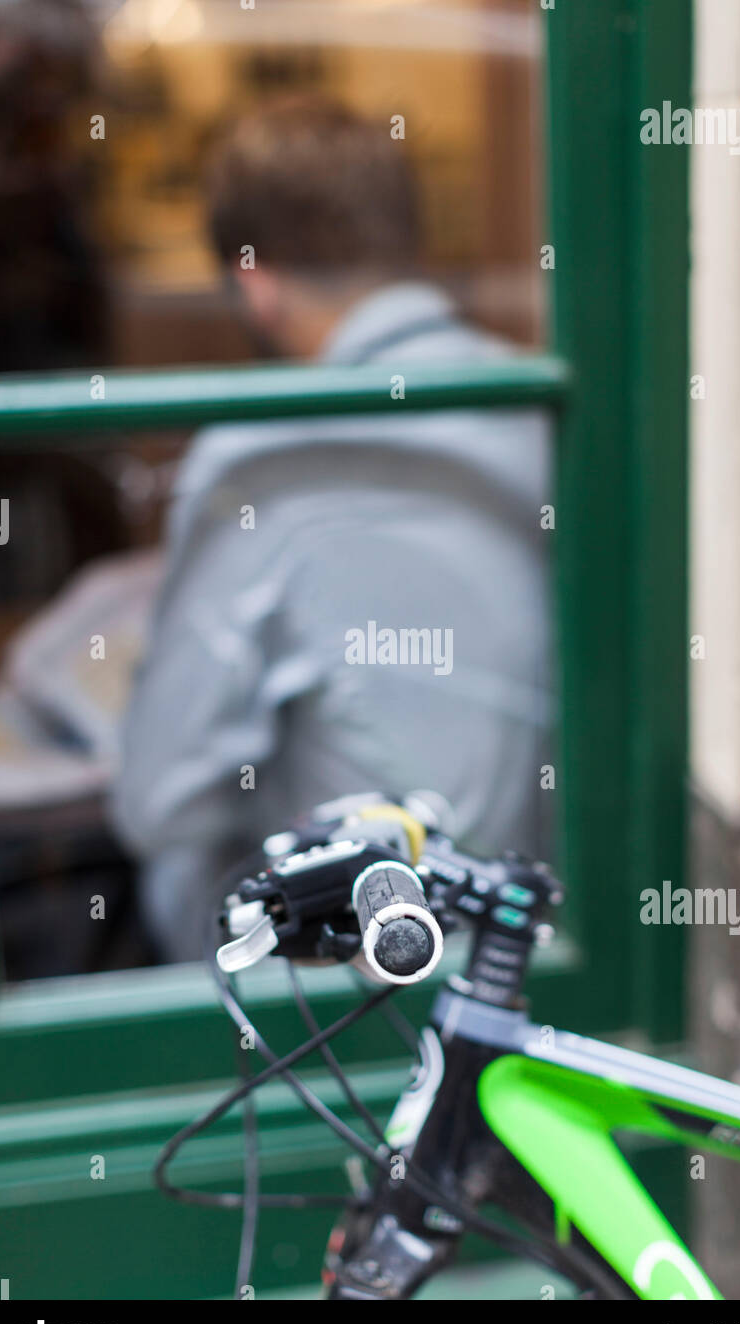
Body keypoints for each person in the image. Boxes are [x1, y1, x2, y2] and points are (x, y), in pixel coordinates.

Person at [112, 94, 553, 961]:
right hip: (537, 935)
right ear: (406, 245)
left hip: (351, 986)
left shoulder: (255, 454)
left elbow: (158, 800)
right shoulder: (541, 403)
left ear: (254, 284)